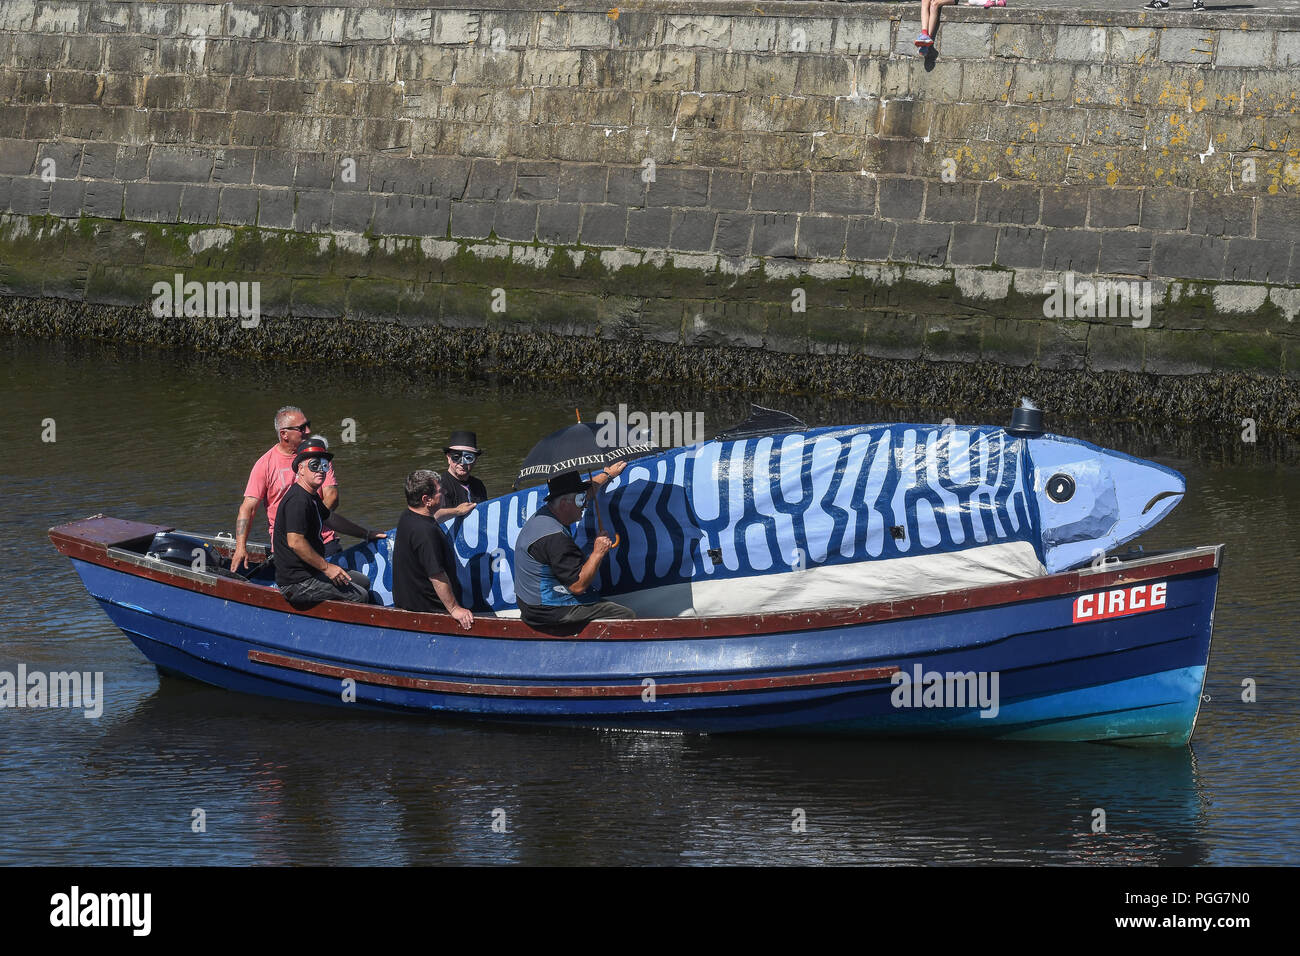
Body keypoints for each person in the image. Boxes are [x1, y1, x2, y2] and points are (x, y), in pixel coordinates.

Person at [513, 464, 635, 630]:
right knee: (625, 616)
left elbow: (588, 491)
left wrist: (607, 474)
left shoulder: (548, 511)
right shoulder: (555, 539)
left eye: (583, 498)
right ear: (564, 503)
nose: (585, 505)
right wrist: (598, 552)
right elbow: (578, 586)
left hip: (530, 601)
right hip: (545, 611)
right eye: (580, 500)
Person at [232, 406, 340, 573]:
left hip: (323, 541)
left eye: (308, 425)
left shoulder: (318, 456)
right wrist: (240, 547)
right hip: (288, 548)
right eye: (302, 428)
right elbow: (248, 508)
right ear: (284, 434)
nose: (309, 431)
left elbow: (331, 496)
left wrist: (311, 525)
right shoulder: (265, 465)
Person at [274, 440, 375, 608]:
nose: (321, 469)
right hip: (296, 583)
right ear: (301, 469)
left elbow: (330, 519)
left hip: (312, 572)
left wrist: (366, 534)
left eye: (324, 464)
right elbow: (295, 542)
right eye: (314, 465)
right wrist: (327, 568)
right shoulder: (298, 500)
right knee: (360, 596)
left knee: (362, 581)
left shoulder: (310, 496)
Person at [393, 470, 474, 629]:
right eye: (439, 491)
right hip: (429, 609)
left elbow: (435, 516)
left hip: (407, 601)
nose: (444, 492)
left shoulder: (408, 516)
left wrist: (457, 511)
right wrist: (454, 609)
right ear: (426, 499)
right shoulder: (426, 533)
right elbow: (436, 575)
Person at [435, 429, 488, 522]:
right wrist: (457, 511)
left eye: (468, 458)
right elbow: (431, 516)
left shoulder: (478, 485)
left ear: (475, 460)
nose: (462, 463)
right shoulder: (438, 484)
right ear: (448, 458)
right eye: (456, 457)